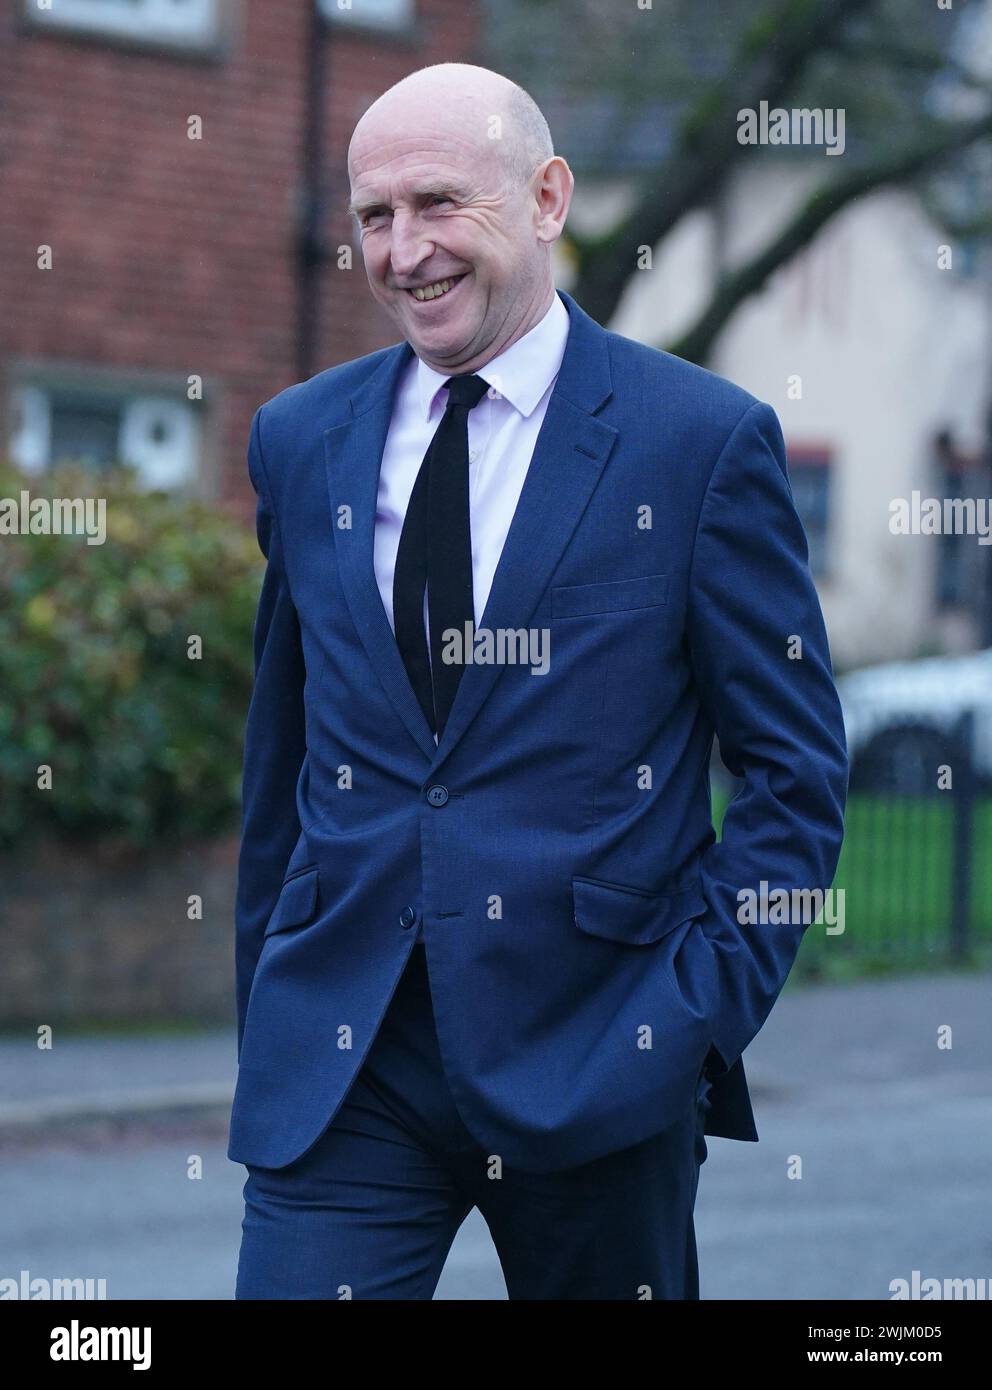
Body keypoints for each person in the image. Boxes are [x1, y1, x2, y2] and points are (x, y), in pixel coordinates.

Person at [228, 61, 848, 1300]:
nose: (404, 251)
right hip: (349, 1060)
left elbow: (794, 778)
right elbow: (280, 756)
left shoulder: (696, 443)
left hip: (601, 1053)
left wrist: (692, 1019)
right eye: (373, 217)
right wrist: (270, 1003)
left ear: (549, 197)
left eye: (440, 204)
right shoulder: (302, 439)